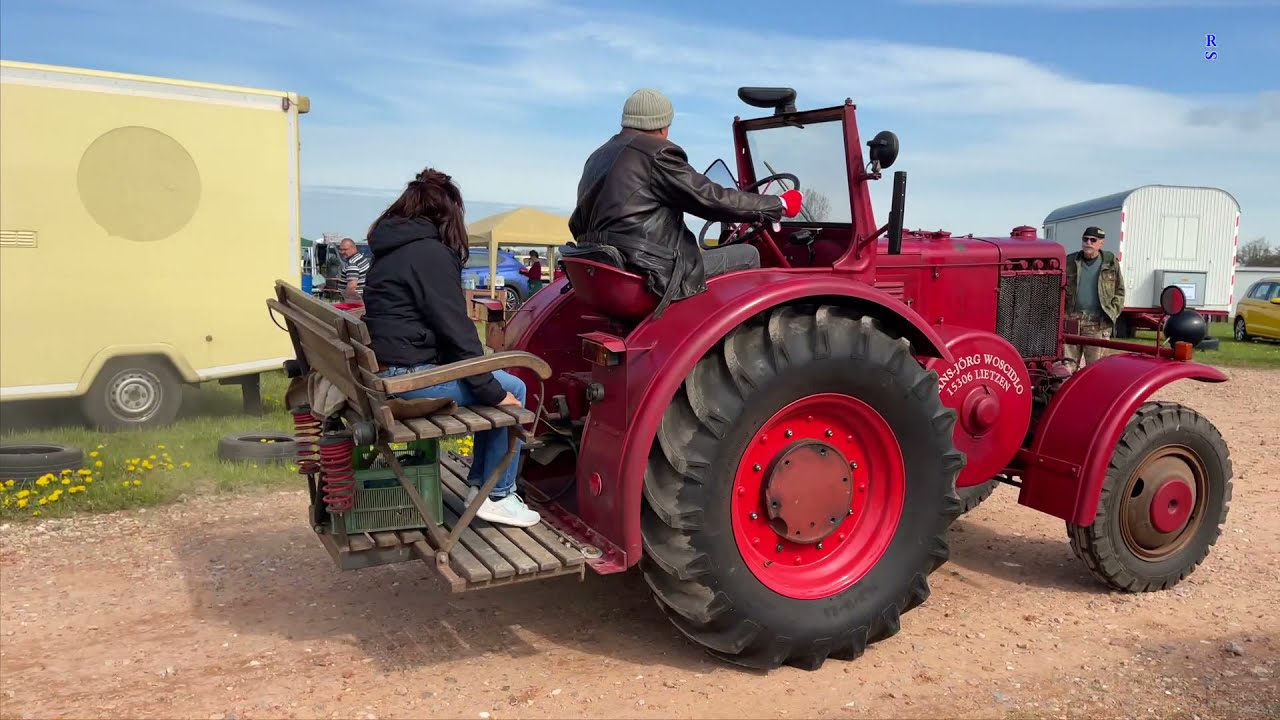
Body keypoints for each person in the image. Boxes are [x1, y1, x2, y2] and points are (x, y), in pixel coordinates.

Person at [360, 168, 539, 528]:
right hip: (406, 382)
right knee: (512, 388)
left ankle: (481, 489)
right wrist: (492, 391)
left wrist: (487, 386)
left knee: (496, 385)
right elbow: (458, 334)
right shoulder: (429, 255)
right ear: (447, 214)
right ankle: (496, 494)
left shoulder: (391, 251)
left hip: (385, 372)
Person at [567, 88, 804, 317]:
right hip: (650, 271)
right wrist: (778, 204)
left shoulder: (599, 156)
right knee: (749, 254)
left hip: (611, 269)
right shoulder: (657, 153)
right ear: (663, 125)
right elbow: (711, 199)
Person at [1063, 226, 1126, 369]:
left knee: (1095, 369)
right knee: (1066, 368)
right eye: (1085, 239)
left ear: (1101, 243)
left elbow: (1120, 291)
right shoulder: (1070, 261)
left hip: (1097, 323)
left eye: (1093, 240)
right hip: (1072, 320)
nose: (1088, 243)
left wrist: (1112, 312)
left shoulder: (1110, 262)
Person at [338, 237, 370, 302]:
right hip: (364, 296)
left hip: (355, 299)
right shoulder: (361, 258)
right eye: (341, 250)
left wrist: (347, 300)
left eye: (345, 249)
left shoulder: (352, 263)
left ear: (353, 248)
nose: (342, 252)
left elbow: (352, 286)